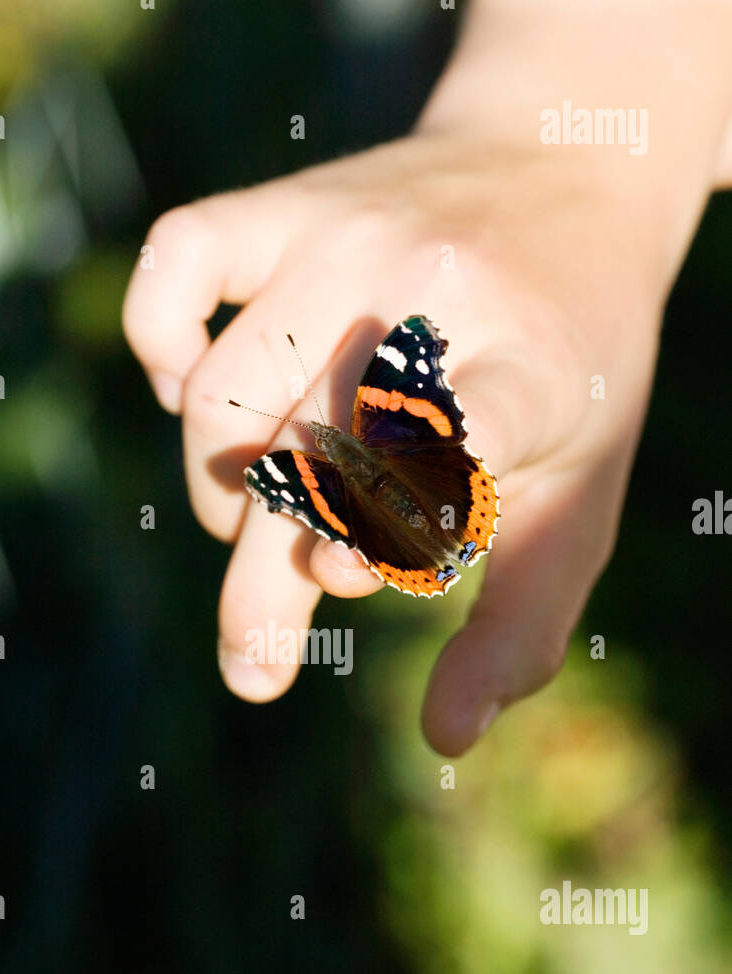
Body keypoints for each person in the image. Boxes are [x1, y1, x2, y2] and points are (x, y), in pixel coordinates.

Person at [123, 0, 732, 754]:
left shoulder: (317, 466)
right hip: (426, 478)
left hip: (389, 524)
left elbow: (309, 489)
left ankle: (411, 554)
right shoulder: (377, 407)